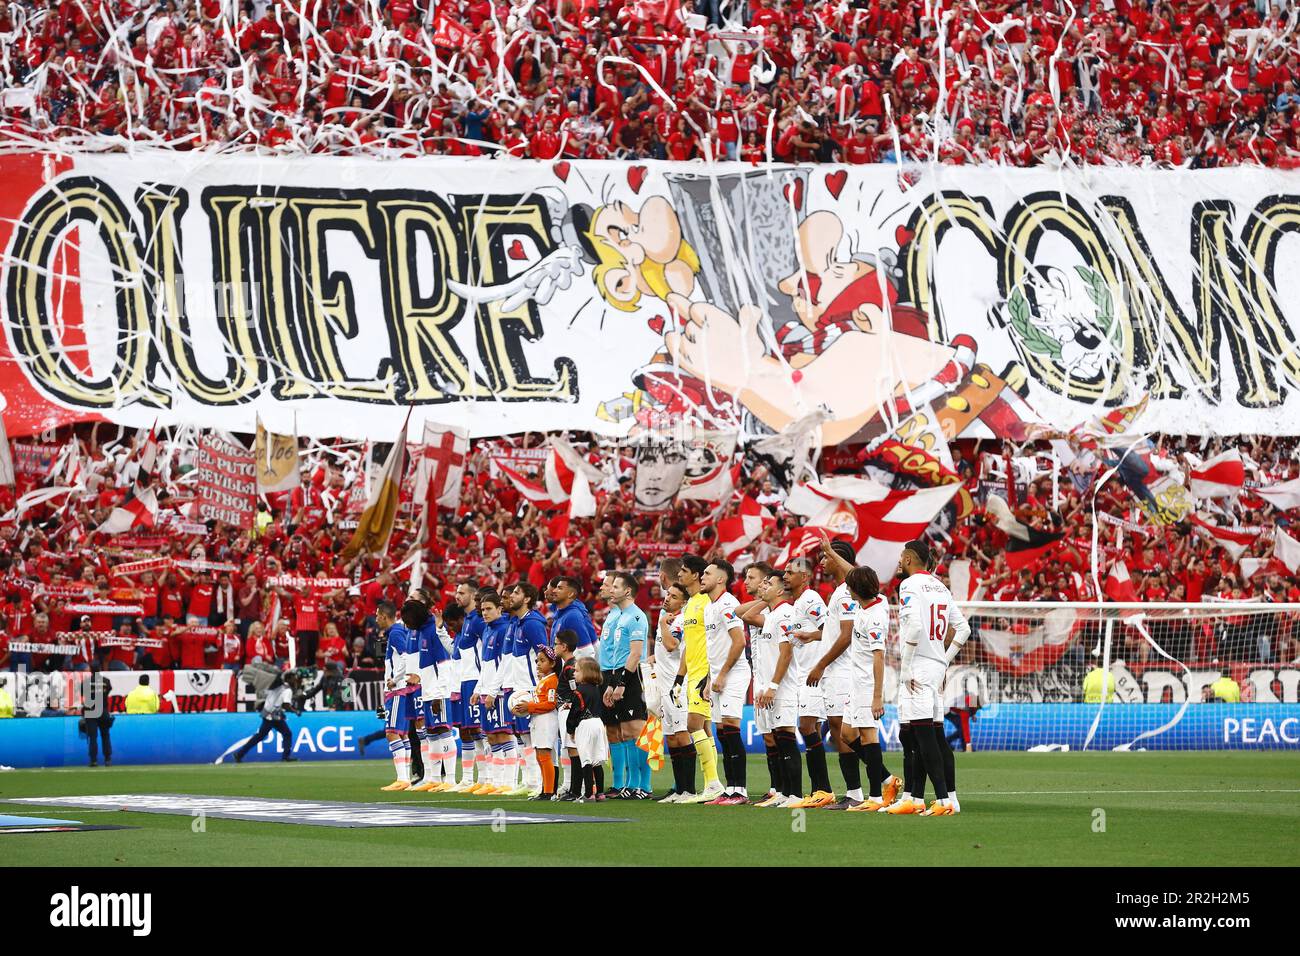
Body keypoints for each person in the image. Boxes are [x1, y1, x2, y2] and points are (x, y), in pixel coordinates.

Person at [891, 539, 969, 816]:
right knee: (928, 734)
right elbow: (964, 629)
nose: (899, 562)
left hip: (918, 666)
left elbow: (913, 627)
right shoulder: (940, 587)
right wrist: (944, 660)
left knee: (923, 736)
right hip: (934, 665)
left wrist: (906, 668)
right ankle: (920, 798)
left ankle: (943, 801)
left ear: (909, 559)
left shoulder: (909, 585)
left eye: (901, 557)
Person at [740, 570, 801, 807]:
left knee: (786, 738)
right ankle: (784, 793)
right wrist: (765, 599)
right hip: (768, 688)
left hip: (782, 688)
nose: (763, 586)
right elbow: (747, 616)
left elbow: (786, 653)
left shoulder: (786, 614)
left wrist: (773, 686)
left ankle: (795, 795)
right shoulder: (773, 615)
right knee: (778, 738)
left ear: (780, 590)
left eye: (769, 583)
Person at [783, 555, 834, 808]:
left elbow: (830, 631)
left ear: (804, 577)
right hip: (804, 673)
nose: (785, 576)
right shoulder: (798, 604)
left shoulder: (811, 599)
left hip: (815, 674)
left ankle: (823, 789)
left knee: (806, 727)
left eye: (790, 572)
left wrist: (809, 635)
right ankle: (818, 790)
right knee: (810, 728)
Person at [671, 554, 722, 803]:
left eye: (683, 570)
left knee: (693, 725)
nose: (679, 574)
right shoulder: (691, 604)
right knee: (704, 728)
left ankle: (713, 783)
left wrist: (710, 675)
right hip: (692, 673)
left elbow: (716, 641)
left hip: (703, 673)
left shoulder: (706, 602)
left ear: (695, 575)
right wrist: (679, 678)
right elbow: (688, 646)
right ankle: (712, 784)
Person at [598, 570, 651, 799]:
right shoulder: (619, 616)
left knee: (636, 729)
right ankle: (629, 784)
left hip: (631, 675)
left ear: (627, 591)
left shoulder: (636, 616)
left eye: (615, 586)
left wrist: (620, 683)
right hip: (616, 673)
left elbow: (635, 654)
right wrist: (611, 683)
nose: (611, 590)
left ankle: (644, 786)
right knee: (625, 731)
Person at [700, 558, 750, 804]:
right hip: (719, 675)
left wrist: (722, 675)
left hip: (734, 673)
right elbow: (715, 647)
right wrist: (711, 678)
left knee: (730, 727)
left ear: (721, 579)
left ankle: (740, 790)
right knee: (721, 731)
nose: (702, 577)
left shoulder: (728, 603)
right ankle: (730, 789)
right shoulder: (709, 607)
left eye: (707, 574)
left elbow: (739, 641)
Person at [654, 581, 693, 803]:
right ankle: (679, 790)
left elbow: (671, 645)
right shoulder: (669, 619)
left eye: (674, 596)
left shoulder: (678, 620)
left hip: (677, 688)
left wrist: (662, 624)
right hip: (664, 687)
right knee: (671, 737)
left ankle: (689, 790)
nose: (667, 598)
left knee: (682, 734)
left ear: (684, 602)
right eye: (668, 594)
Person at [377, 600, 419, 790]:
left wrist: (395, 679)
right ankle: (406, 778)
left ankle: (402, 778)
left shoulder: (395, 633)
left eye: (377, 616)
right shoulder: (397, 631)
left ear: (384, 616)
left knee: (392, 733)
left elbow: (405, 657)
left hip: (397, 690)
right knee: (402, 734)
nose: (376, 619)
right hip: (401, 690)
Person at [511, 644, 560, 800]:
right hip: (538, 720)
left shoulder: (552, 680)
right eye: (537, 660)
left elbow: (550, 704)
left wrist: (529, 706)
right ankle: (545, 789)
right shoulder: (544, 680)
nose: (538, 663)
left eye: (542, 660)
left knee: (544, 755)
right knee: (540, 755)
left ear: (552, 663)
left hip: (547, 720)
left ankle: (549, 792)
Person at [233, 671, 302, 763]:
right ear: (288, 679)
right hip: (273, 714)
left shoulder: (280, 686)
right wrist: (295, 711)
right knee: (285, 733)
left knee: (269, 735)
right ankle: (285, 757)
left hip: (268, 712)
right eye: (293, 678)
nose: (295, 680)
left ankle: (239, 754)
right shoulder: (287, 690)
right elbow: (286, 705)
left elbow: (277, 700)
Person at [567, 656, 609, 802]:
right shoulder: (597, 689)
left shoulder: (579, 691)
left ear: (586, 673)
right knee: (597, 760)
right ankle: (600, 793)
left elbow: (575, 712)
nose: (574, 673)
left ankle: (589, 793)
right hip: (598, 723)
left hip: (585, 725)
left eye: (577, 671)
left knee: (586, 759)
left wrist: (570, 729)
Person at [82, 663, 114, 767]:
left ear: (90, 670)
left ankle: (93, 760)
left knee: (92, 737)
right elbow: (108, 691)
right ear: (99, 669)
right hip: (103, 710)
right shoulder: (106, 681)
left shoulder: (86, 682)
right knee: (105, 735)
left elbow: (83, 694)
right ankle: (108, 759)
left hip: (91, 710)